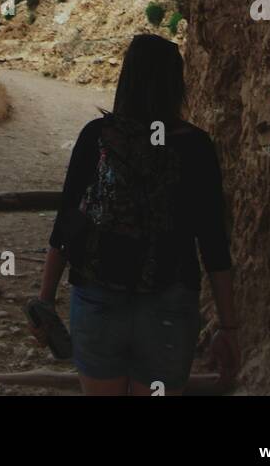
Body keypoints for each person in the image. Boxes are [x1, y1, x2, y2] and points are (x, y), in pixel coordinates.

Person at [37, 33, 238, 397]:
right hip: (170, 304)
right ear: (176, 83)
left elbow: (67, 224)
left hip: (98, 297)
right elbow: (213, 244)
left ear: (126, 79)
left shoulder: (96, 136)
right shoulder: (196, 147)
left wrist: (45, 300)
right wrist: (228, 327)